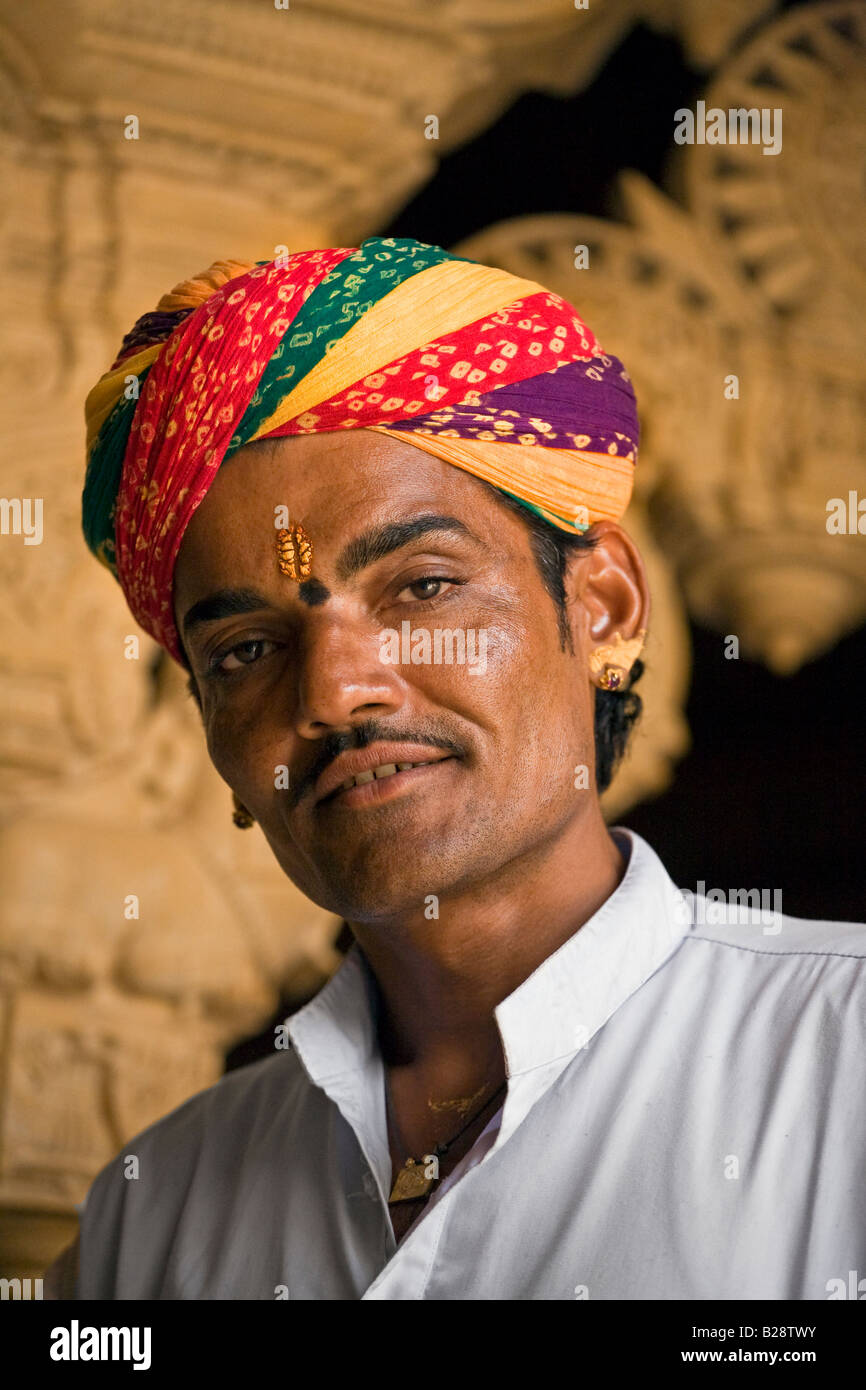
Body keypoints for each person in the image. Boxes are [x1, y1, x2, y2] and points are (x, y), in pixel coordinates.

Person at [46, 237, 864, 1299]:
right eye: (244, 651)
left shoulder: (841, 1065)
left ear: (602, 606)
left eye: (421, 588)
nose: (335, 693)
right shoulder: (156, 1215)